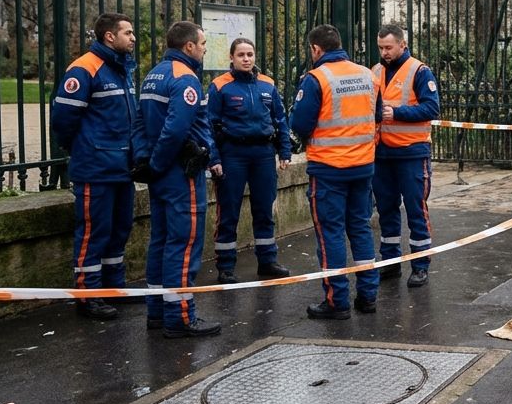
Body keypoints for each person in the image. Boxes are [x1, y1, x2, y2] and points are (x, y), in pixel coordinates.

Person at [133, 21, 222, 338]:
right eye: (202, 44)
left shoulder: (152, 75)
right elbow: (175, 130)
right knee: (183, 246)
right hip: (180, 174)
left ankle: (157, 311)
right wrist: (157, 163)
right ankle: (180, 316)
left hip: (160, 174)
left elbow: (139, 123)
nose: (203, 49)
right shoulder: (185, 78)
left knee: (161, 241)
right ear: (189, 46)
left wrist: (145, 161)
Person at [51, 12, 139, 320]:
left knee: (119, 228)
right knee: (93, 231)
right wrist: (82, 148)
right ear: (109, 37)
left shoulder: (122, 69)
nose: (133, 37)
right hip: (96, 167)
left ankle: (113, 287)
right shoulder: (85, 68)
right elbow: (63, 120)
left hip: (121, 166)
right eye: (127, 32)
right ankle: (88, 295)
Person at [290, 24, 382, 319]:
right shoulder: (368, 75)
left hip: (329, 169)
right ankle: (368, 295)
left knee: (330, 234)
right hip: (363, 166)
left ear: (316, 49)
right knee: (360, 228)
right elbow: (377, 115)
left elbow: (300, 125)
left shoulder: (316, 79)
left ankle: (336, 301)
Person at [206, 38, 292, 283]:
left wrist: (285, 150)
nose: (246, 59)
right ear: (231, 58)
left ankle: (267, 261)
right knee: (229, 211)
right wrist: (214, 158)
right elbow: (208, 126)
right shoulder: (220, 86)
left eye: (250, 54)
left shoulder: (268, 84)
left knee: (264, 209)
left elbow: (280, 119)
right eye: (241, 54)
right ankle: (225, 266)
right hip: (233, 154)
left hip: (263, 154)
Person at [372, 24, 441, 288]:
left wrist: (397, 113)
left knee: (415, 208)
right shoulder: (376, 71)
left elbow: (432, 108)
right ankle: (390, 263)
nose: (384, 52)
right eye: (381, 48)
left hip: (412, 152)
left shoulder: (420, 71)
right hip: (382, 152)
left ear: (402, 44)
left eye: (388, 47)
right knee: (386, 209)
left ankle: (420, 265)